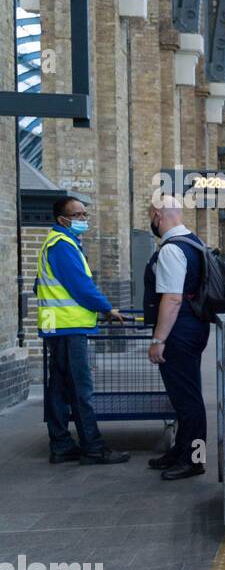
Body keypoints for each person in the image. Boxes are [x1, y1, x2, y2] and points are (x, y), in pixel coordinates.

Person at [37, 197, 130, 465]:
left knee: (59, 386)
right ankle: (93, 447)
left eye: (84, 214)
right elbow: (80, 285)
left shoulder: (55, 244)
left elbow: (39, 286)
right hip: (69, 326)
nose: (82, 219)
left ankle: (62, 445)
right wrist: (106, 308)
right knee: (80, 388)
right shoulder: (63, 245)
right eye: (76, 215)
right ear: (61, 220)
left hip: (58, 325)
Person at [143, 196, 209, 480]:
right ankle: (182, 450)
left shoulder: (171, 249)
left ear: (158, 215)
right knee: (186, 396)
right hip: (193, 325)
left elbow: (172, 299)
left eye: (151, 216)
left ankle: (194, 459)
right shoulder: (194, 242)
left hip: (179, 330)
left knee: (187, 398)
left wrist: (158, 340)